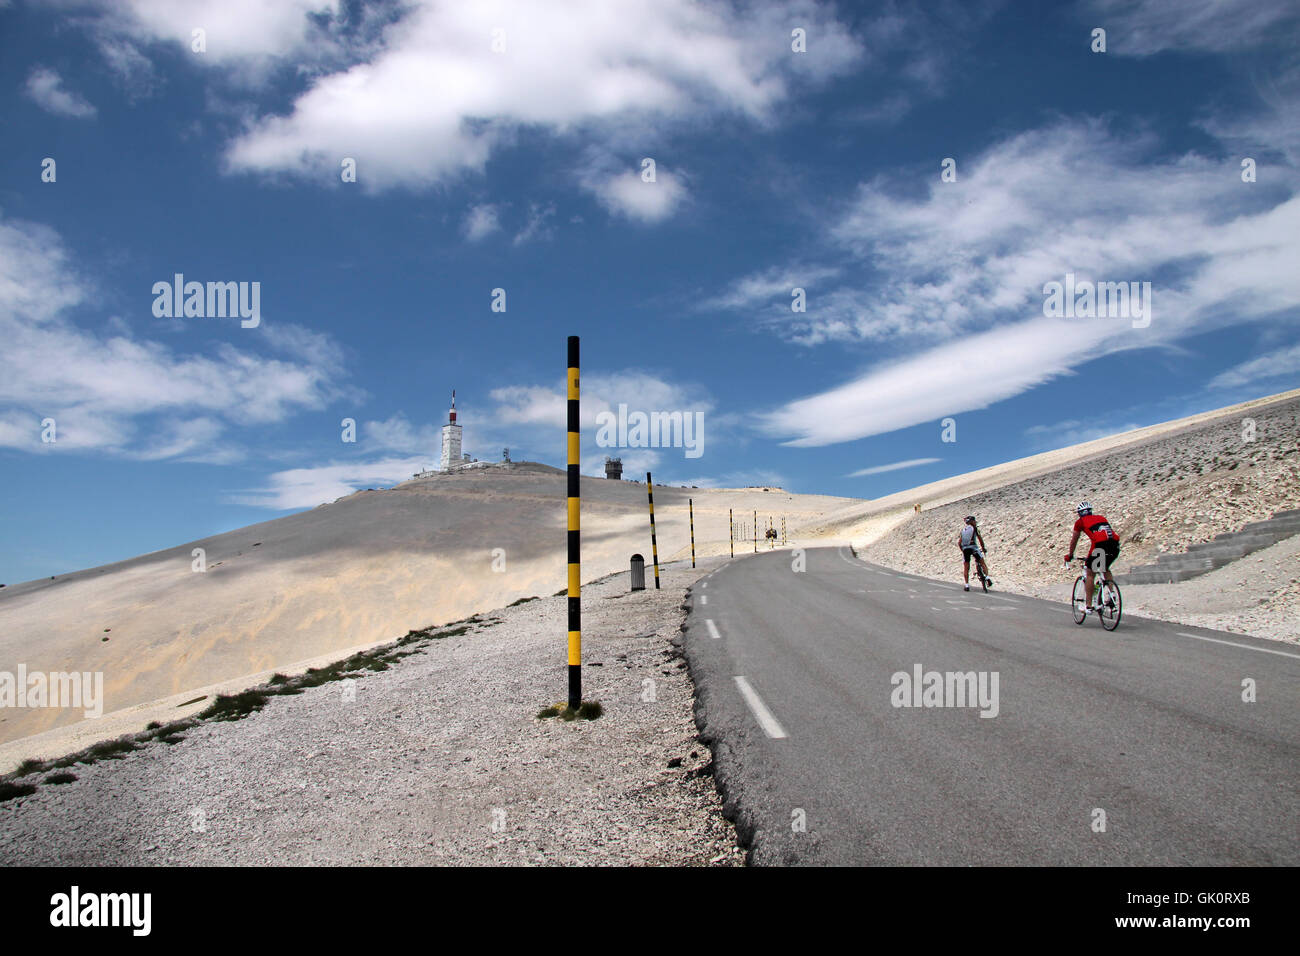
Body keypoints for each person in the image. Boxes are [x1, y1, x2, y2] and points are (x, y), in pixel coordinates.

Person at [1064, 501, 1120, 613]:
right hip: (1115, 545)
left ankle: (1088, 606)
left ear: (1079, 513)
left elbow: (1074, 540)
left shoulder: (1080, 522)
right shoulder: (1101, 518)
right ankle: (1111, 594)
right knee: (1104, 568)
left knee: (1090, 573)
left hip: (1100, 545)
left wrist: (1070, 555)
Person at [958, 515, 991, 591]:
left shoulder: (963, 531)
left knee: (966, 567)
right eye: (974, 521)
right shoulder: (975, 529)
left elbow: (959, 543)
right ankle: (987, 577)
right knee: (982, 562)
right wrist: (983, 548)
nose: (975, 522)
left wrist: (963, 550)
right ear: (972, 522)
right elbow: (980, 539)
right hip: (974, 547)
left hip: (965, 549)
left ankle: (966, 585)